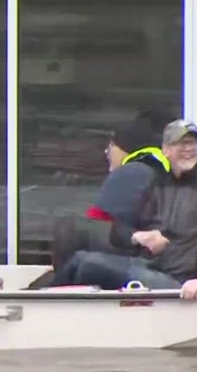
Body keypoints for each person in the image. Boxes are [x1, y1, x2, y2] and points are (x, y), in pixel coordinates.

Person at [51, 119, 197, 299]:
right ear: (166, 150)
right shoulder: (158, 184)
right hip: (148, 267)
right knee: (78, 257)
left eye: (192, 143)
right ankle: (33, 300)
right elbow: (122, 232)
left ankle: (34, 307)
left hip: (178, 282)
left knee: (87, 264)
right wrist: (138, 237)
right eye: (180, 143)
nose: (188, 149)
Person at [26, 110, 174, 289]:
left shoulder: (133, 172)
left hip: (135, 261)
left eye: (111, 145)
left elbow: (102, 228)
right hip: (154, 261)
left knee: (69, 228)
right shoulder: (159, 172)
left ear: (126, 148)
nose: (106, 151)